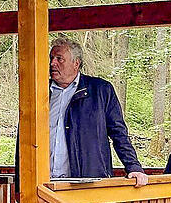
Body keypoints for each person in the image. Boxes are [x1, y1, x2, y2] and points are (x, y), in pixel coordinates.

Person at [48, 37, 148, 186]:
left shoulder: (100, 91)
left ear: (76, 63)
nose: (52, 63)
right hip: (43, 185)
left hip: (85, 183)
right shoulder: (39, 92)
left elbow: (118, 132)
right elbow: (23, 140)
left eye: (59, 59)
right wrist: (20, 182)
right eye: (51, 58)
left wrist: (133, 166)